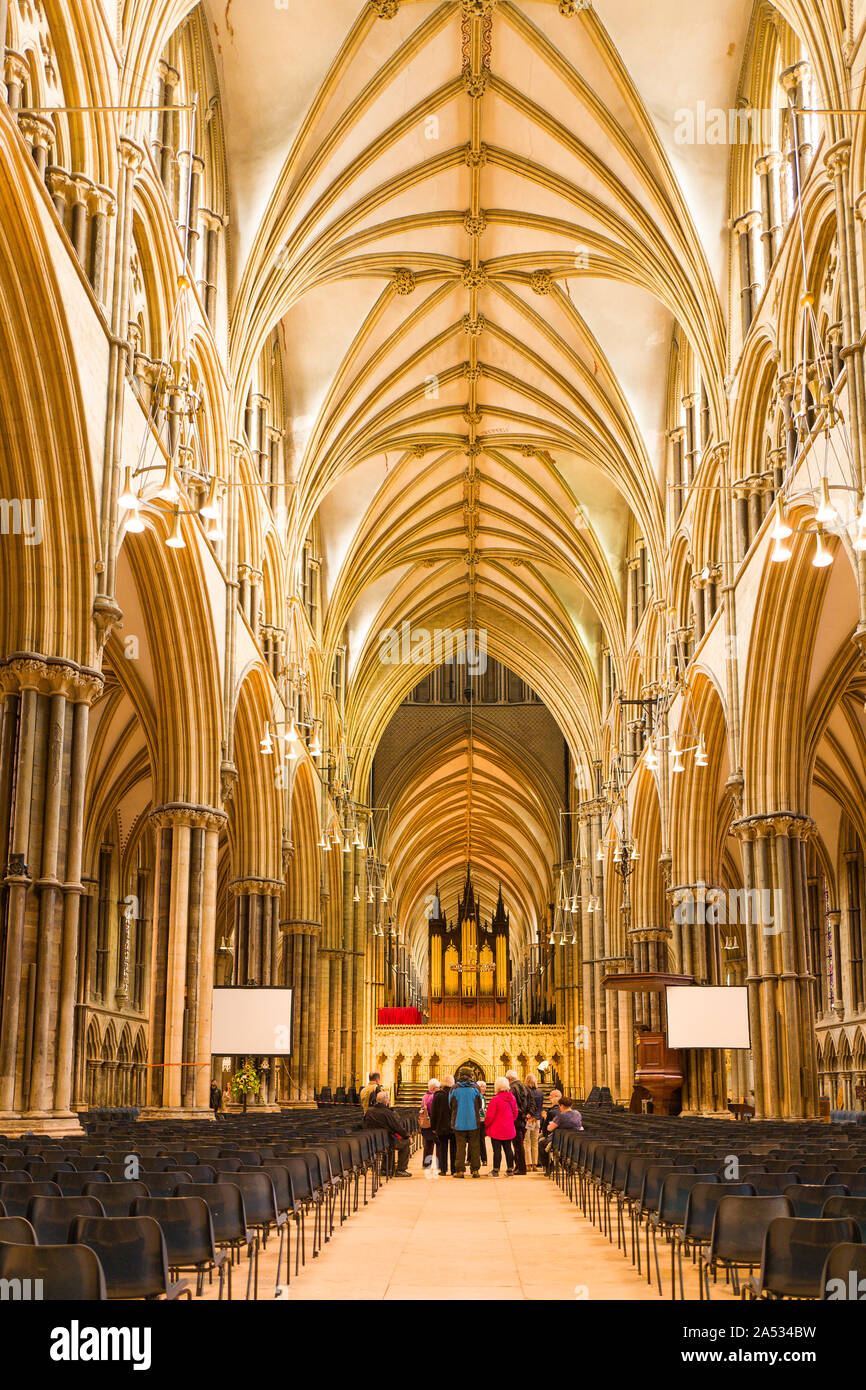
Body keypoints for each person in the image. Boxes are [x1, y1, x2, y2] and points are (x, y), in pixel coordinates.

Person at [363, 1091, 411, 1175]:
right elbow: (397, 1127)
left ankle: (386, 1169)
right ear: (386, 1102)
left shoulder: (369, 1111)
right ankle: (401, 1170)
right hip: (387, 1141)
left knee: (388, 1140)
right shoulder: (387, 1113)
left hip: (372, 1142)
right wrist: (406, 1135)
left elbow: (365, 1125)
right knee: (405, 1143)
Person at [450, 1068, 483, 1177]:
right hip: (473, 1122)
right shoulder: (476, 1088)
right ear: (471, 1076)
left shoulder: (454, 1088)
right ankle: (475, 1170)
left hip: (458, 1122)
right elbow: (481, 1104)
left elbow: (450, 1104)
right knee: (474, 1146)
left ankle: (459, 1171)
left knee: (460, 1147)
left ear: (460, 1075)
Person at [484, 1076, 518, 1174]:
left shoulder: (495, 1099)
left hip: (496, 1129)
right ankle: (510, 1168)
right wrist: (510, 1121)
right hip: (508, 1128)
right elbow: (515, 1113)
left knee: (497, 1150)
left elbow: (490, 1116)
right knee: (508, 1149)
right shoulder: (512, 1098)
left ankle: (496, 1169)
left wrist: (486, 1124)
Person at [539, 1096, 582, 1171]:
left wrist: (550, 1123)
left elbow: (550, 1128)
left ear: (561, 1105)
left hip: (561, 1140)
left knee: (542, 1143)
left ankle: (548, 1166)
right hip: (575, 1139)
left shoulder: (561, 1116)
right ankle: (568, 1166)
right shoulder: (577, 1113)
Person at [431, 1074, 456, 1174]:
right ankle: (454, 1170)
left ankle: (443, 1170)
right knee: (454, 1148)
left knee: (443, 1148)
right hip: (453, 1125)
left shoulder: (438, 1095)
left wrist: (433, 1126)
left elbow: (434, 1113)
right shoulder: (455, 1094)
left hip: (441, 1125)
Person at [506, 1069, 530, 1174]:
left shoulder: (511, 1088)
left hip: (516, 1120)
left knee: (518, 1145)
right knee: (519, 1144)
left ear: (509, 1079)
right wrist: (529, 1114)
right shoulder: (525, 1087)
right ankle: (518, 1166)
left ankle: (521, 1168)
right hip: (524, 1120)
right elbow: (532, 1102)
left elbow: (513, 1105)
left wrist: (521, 1115)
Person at [524, 1072, 544, 1171]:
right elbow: (540, 1106)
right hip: (537, 1119)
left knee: (527, 1141)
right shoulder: (540, 1092)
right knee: (535, 1142)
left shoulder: (527, 1092)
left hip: (530, 1119)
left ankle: (528, 1164)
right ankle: (535, 1164)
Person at [419, 1078, 440, 1167]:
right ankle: (439, 1163)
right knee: (438, 1143)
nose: (439, 1089)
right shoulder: (433, 1097)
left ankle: (426, 1163)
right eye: (438, 1087)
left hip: (425, 1123)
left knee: (428, 1144)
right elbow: (433, 1111)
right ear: (434, 1088)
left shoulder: (424, 1096)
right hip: (432, 1122)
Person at [476, 1080, 488, 1166]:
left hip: (482, 1120)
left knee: (481, 1140)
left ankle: (484, 1159)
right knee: (473, 1140)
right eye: (482, 1086)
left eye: (485, 1087)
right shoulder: (477, 1096)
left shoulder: (484, 1097)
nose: (484, 1089)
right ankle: (469, 1159)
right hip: (476, 1120)